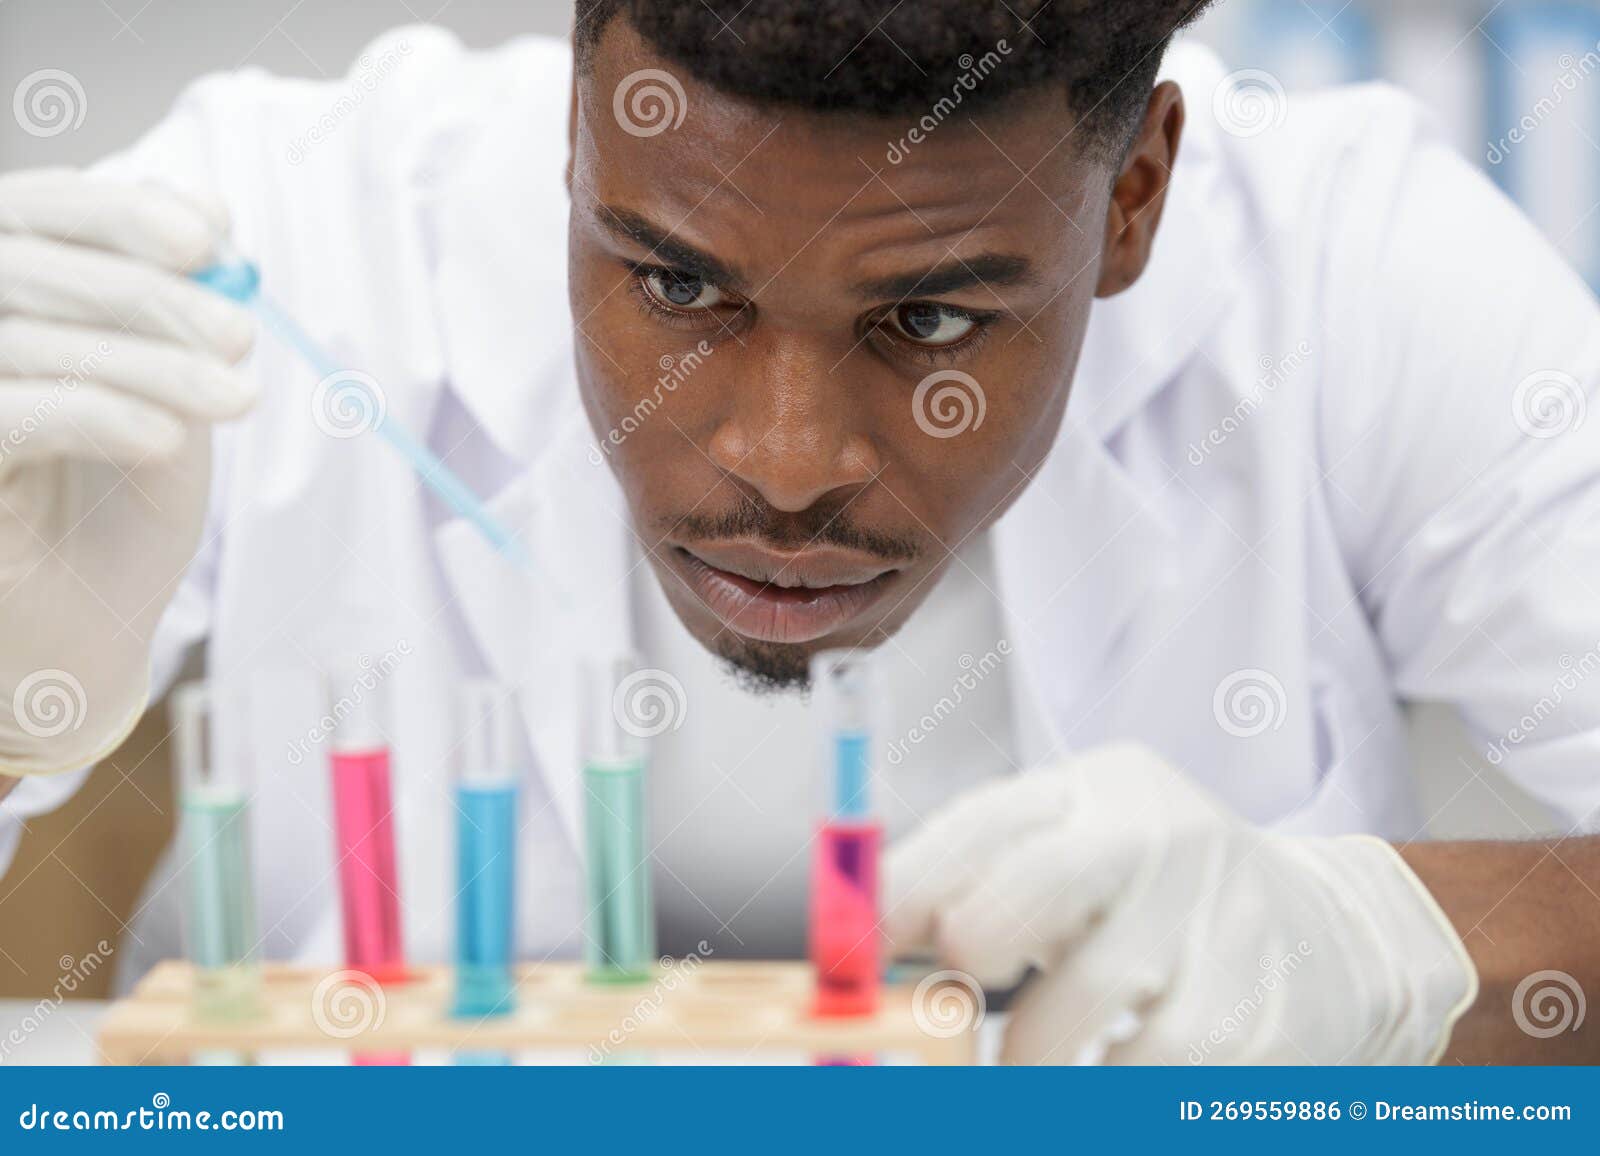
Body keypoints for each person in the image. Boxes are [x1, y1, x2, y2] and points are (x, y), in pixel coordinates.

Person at [0, 0, 1596, 1065]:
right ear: (577, 119)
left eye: (930, 316)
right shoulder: (258, 243)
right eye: (679, 285)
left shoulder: (1356, 270)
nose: (781, 465)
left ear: (1132, 199)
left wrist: (1380, 940)